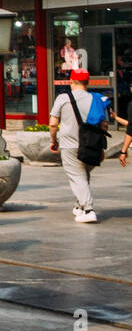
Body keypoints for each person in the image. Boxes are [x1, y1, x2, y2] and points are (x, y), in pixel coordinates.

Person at [48, 69, 110, 223]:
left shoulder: (63, 98)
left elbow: (53, 124)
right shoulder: (97, 99)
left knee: (77, 176)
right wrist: (101, 147)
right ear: (88, 82)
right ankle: (79, 206)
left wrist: (53, 140)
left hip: (70, 145)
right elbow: (104, 125)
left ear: (71, 81)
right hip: (92, 145)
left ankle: (88, 210)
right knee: (83, 175)